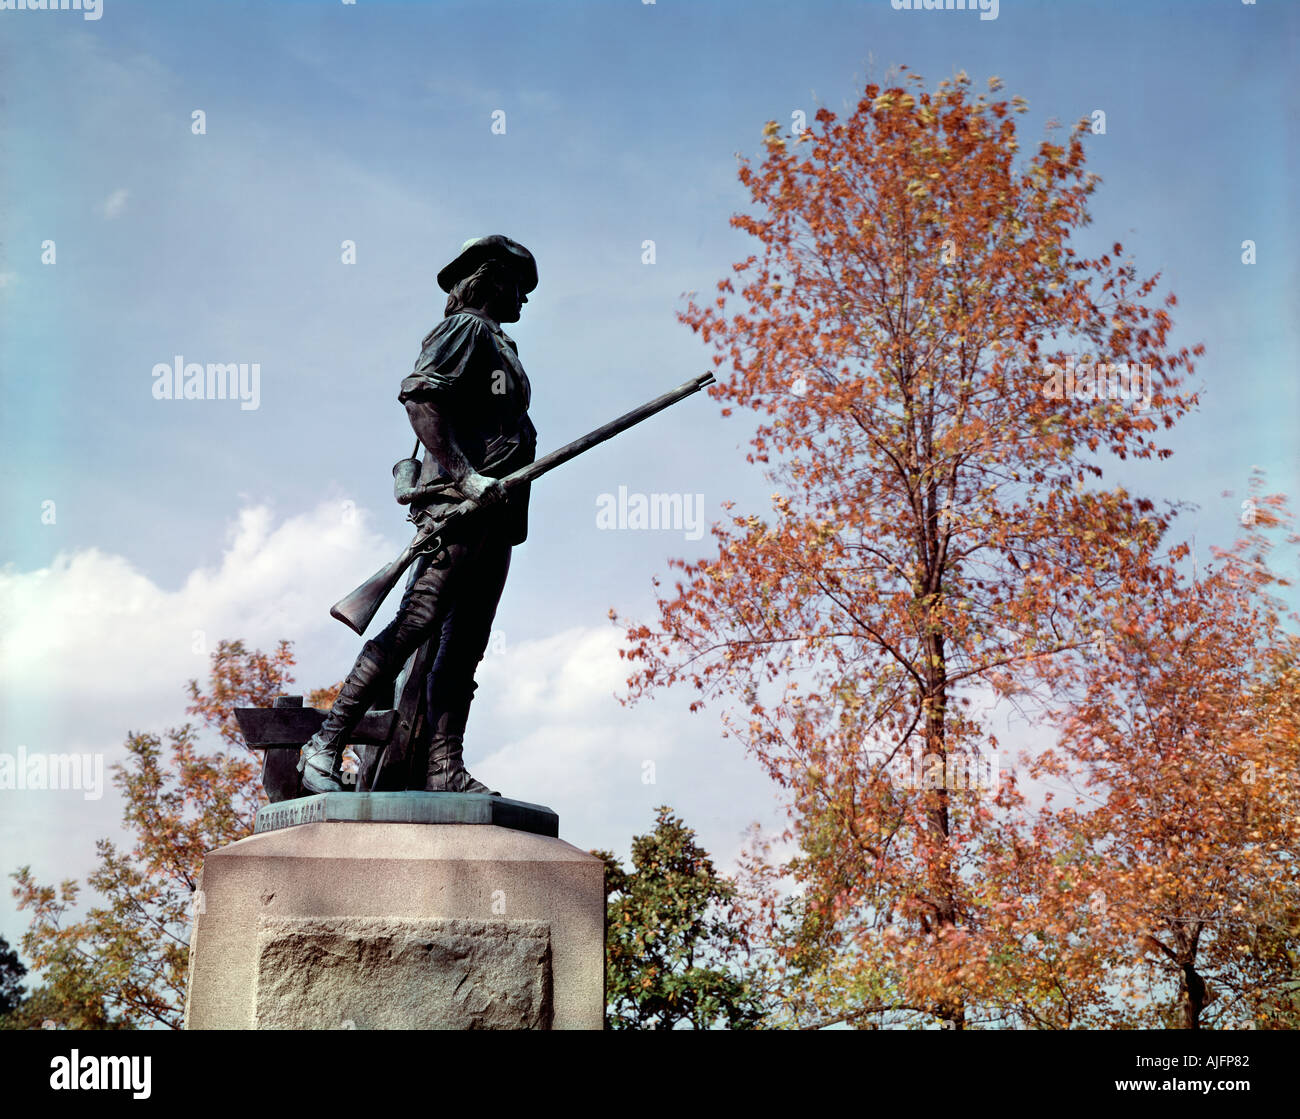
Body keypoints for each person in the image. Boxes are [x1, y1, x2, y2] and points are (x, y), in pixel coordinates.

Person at [298, 235, 538, 796]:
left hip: (494, 517)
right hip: (459, 510)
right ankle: (326, 744)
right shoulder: (469, 330)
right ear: (489, 279)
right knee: (414, 625)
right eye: (517, 286)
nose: (524, 300)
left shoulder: (499, 344)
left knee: (463, 649)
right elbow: (421, 398)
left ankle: (444, 768)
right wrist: (465, 475)